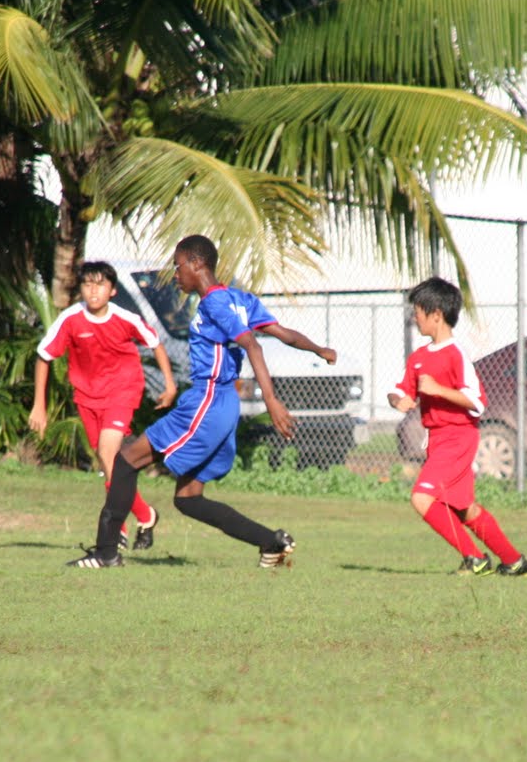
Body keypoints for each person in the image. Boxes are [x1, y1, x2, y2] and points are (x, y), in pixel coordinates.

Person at [68, 233, 334, 569]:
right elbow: (283, 333)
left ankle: (105, 553)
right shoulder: (240, 299)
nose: (175, 275)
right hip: (224, 405)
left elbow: (252, 345)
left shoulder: (214, 304)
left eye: (178, 266)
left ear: (197, 264)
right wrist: (319, 349)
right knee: (188, 498)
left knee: (125, 460)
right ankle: (271, 541)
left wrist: (271, 401)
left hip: (207, 400)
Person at [29, 261, 176, 550]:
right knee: (108, 462)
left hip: (122, 392)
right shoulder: (71, 319)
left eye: (100, 285)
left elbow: (155, 342)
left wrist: (170, 385)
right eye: (87, 285)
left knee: (108, 455)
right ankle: (146, 515)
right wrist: (39, 405)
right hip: (87, 397)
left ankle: (117, 527)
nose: (93, 291)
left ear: (112, 291)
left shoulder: (125, 318)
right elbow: (44, 356)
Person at [388, 277, 527, 576]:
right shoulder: (419, 358)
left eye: (418, 311)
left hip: (458, 437)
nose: (414, 318)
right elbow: (400, 390)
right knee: (464, 508)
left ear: (436, 315)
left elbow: (477, 402)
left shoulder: (456, 355)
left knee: (421, 498)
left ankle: (475, 558)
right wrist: (397, 400)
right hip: (437, 439)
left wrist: (438, 390)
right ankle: (513, 560)